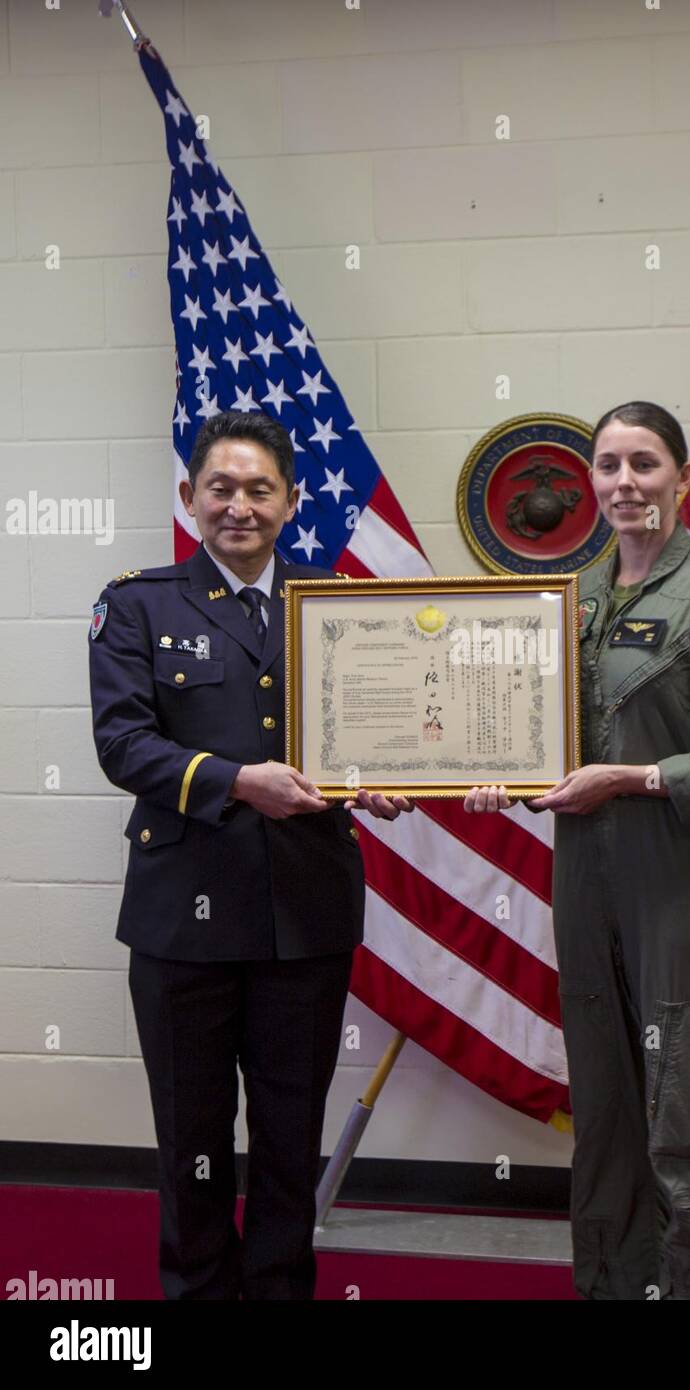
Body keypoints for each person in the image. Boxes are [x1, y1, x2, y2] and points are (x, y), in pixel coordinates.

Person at [465, 401, 690, 1300]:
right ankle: (610, 1287)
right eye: (606, 467)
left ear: (682, 479)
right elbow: (539, 744)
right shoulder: (574, 603)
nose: (623, 484)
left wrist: (632, 779)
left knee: (689, 1119)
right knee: (604, 1118)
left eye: (643, 464)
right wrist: (494, 768)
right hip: (583, 881)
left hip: (673, 884)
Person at [88, 411, 409, 1300]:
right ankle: (195, 1291)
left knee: (287, 1133)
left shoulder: (335, 609)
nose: (239, 505)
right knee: (191, 1138)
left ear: (291, 501)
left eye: (259, 489)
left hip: (302, 916)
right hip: (181, 919)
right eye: (220, 488)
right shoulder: (136, 604)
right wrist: (237, 781)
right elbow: (124, 746)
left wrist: (374, 782)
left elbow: (364, 742)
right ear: (189, 499)